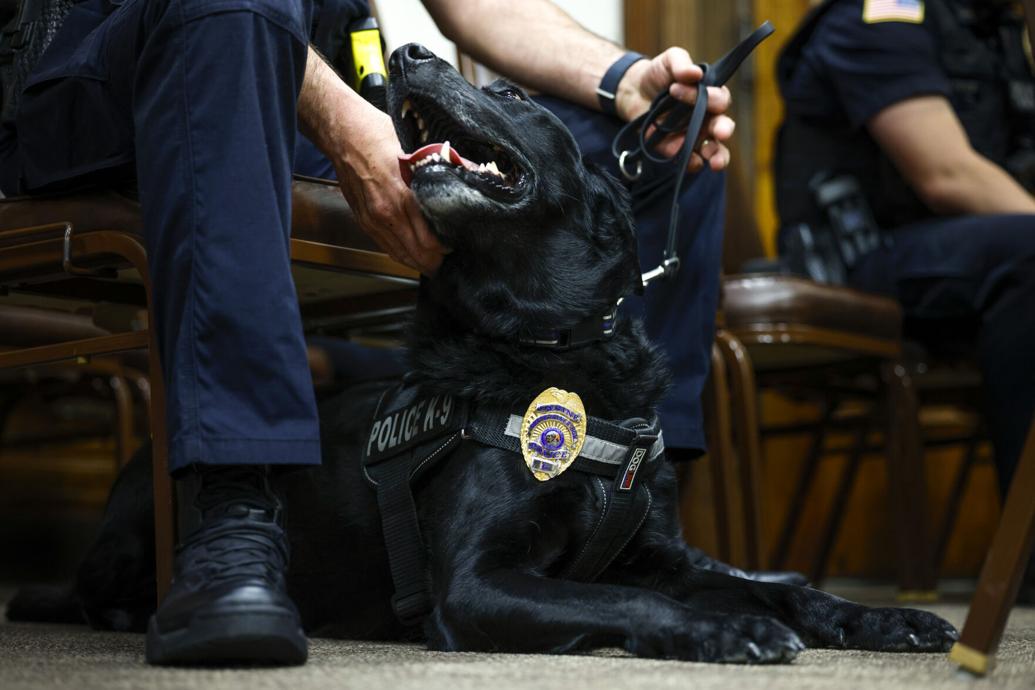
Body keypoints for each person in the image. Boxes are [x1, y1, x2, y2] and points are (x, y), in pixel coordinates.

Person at [0, 0, 734, 665]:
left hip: (312, 100)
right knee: (236, 14)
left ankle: (631, 515)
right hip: (122, 76)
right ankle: (232, 523)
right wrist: (342, 120)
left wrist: (623, 79)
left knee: (665, 142)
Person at [775, 0, 1035, 499]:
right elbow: (948, 176)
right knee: (1028, 255)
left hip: (957, 258)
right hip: (854, 261)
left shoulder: (992, 29)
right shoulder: (878, 16)